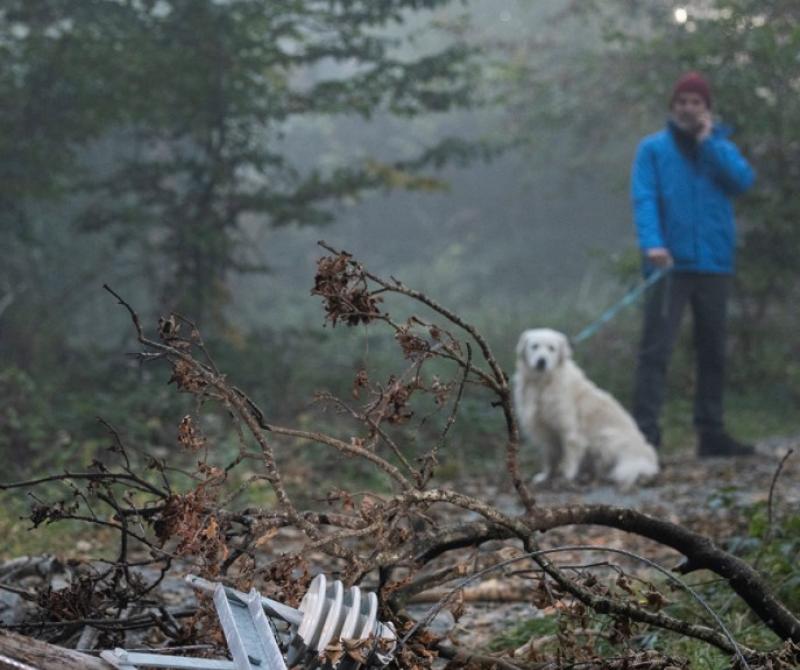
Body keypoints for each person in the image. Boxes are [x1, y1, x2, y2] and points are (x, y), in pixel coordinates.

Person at [630, 71, 755, 457]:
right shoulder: (652, 149)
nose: (688, 108)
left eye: (695, 102)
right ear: (673, 107)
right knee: (656, 351)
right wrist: (653, 245)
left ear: (707, 109)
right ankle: (645, 437)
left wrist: (709, 144)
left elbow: (743, 182)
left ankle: (711, 433)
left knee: (713, 350)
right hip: (668, 265)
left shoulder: (720, 146)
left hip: (714, 264)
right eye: (681, 101)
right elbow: (644, 199)